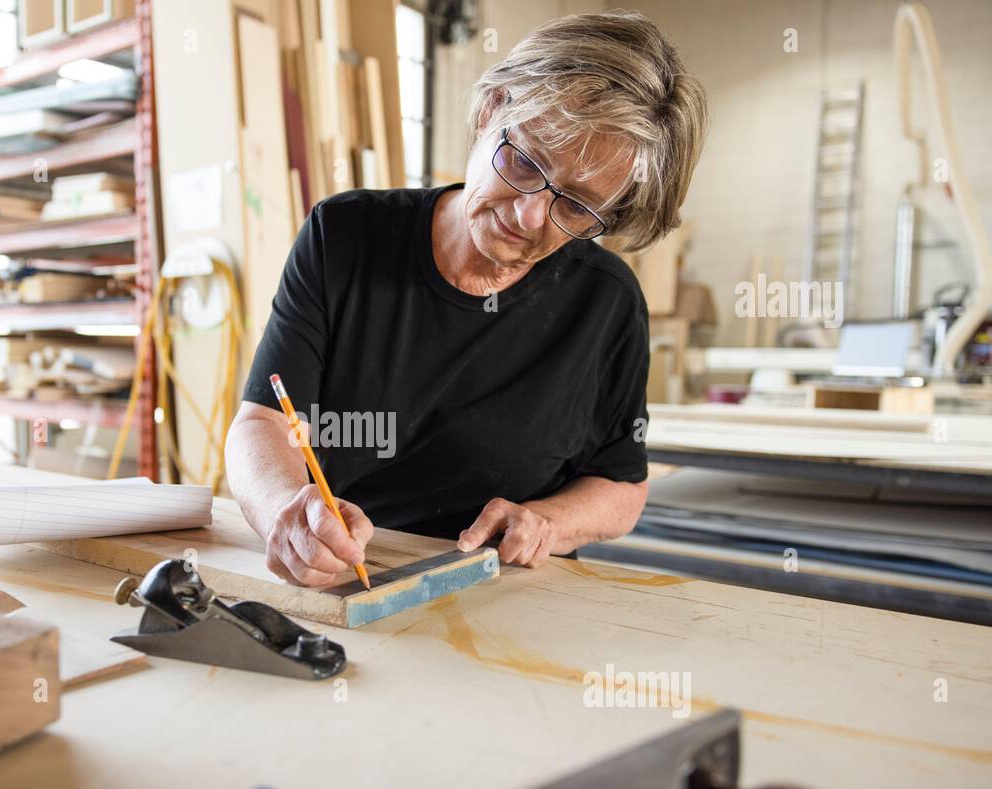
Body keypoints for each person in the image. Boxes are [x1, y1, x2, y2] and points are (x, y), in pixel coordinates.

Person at [225, 11, 707, 588]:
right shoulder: (347, 237)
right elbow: (262, 423)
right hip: (354, 574)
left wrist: (548, 521)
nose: (529, 215)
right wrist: (288, 510)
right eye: (525, 162)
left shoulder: (605, 302)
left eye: (576, 206)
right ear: (490, 111)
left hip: (511, 591)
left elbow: (623, 486)